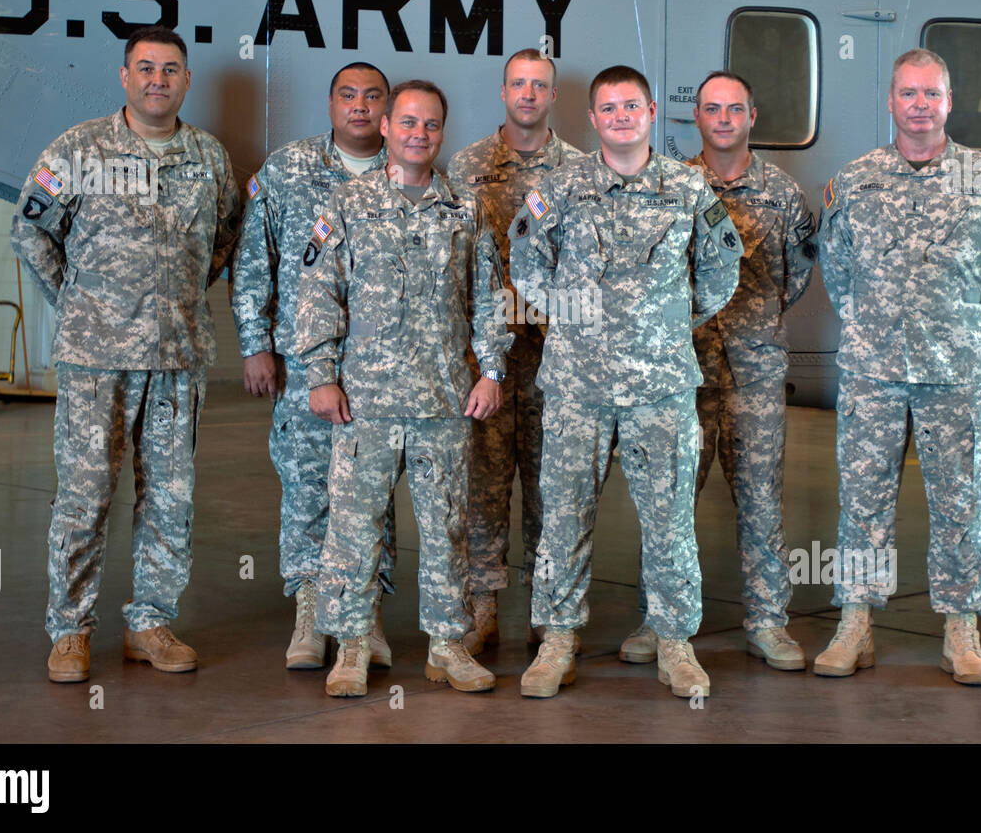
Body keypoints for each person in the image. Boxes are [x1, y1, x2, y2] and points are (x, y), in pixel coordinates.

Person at [12, 24, 243, 683]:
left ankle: (150, 624)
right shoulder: (80, 149)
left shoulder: (208, 157)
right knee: (84, 497)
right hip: (94, 358)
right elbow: (31, 231)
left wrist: (182, 296)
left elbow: (227, 233)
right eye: (145, 68)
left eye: (170, 70)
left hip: (177, 357)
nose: (157, 81)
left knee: (170, 499)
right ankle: (70, 630)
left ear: (186, 80)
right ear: (123, 75)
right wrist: (82, 303)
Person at [510, 65, 743, 699]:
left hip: (660, 386)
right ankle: (557, 639)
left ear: (649, 113)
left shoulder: (687, 190)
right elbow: (525, 261)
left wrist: (668, 321)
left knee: (669, 520)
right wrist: (576, 319)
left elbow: (722, 267)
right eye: (608, 108)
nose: (620, 116)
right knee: (563, 517)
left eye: (631, 106)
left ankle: (675, 641)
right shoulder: (558, 188)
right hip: (576, 387)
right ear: (592, 118)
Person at [816, 48, 981, 685]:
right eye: (908, 93)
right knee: (861, 503)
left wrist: (972, 333)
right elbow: (838, 266)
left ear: (948, 103)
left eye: (931, 94)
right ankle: (855, 625)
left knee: (960, 503)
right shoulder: (854, 180)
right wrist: (869, 329)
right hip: (872, 371)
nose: (920, 105)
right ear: (890, 102)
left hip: (955, 373)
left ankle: (961, 631)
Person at [295, 80, 512, 697]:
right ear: (386, 127)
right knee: (354, 527)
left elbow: (489, 298)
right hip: (363, 400)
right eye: (409, 122)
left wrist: (492, 370)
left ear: (442, 132)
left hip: (443, 399)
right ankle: (352, 646)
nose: (420, 134)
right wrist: (320, 375)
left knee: (446, 527)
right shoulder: (345, 204)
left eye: (433, 125)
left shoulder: (464, 208)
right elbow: (319, 293)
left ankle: (447, 644)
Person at [617, 71, 818, 670]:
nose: (724, 119)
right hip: (684, 367)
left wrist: (754, 326)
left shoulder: (783, 194)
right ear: (695, 119)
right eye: (712, 109)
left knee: (761, 497)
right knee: (669, 500)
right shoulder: (670, 188)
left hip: (755, 368)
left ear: (752, 116)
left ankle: (768, 622)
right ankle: (662, 619)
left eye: (735, 109)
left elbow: (797, 276)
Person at [231, 62, 398, 670]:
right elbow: (255, 263)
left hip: (384, 364)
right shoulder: (287, 169)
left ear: (388, 107)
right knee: (306, 486)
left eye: (371, 96)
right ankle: (310, 610)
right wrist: (255, 345)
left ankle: (365, 613)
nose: (359, 106)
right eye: (347, 95)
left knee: (372, 491)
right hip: (303, 363)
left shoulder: (408, 169)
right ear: (330, 103)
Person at [446, 48, 583, 653]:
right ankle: (482, 608)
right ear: (503, 92)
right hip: (487, 359)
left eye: (540, 85)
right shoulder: (467, 165)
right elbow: (453, 259)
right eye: (518, 84)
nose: (528, 94)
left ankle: (549, 610)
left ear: (554, 96)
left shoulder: (580, 169)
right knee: (484, 487)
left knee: (554, 490)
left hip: (559, 357)